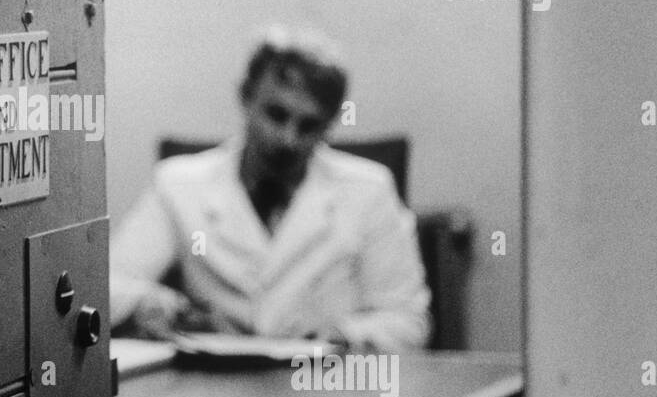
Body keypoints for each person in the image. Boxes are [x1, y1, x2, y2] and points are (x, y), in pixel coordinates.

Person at [110, 25, 430, 352]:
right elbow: (105, 289)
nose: (288, 140)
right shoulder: (179, 184)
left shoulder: (369, 190)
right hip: (216, 388)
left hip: (323, 385)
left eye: (309, 125)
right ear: (246, 97)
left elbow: (408, 323)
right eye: (276, 115)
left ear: (330, 125)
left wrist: (339, 335)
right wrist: (175, 310)